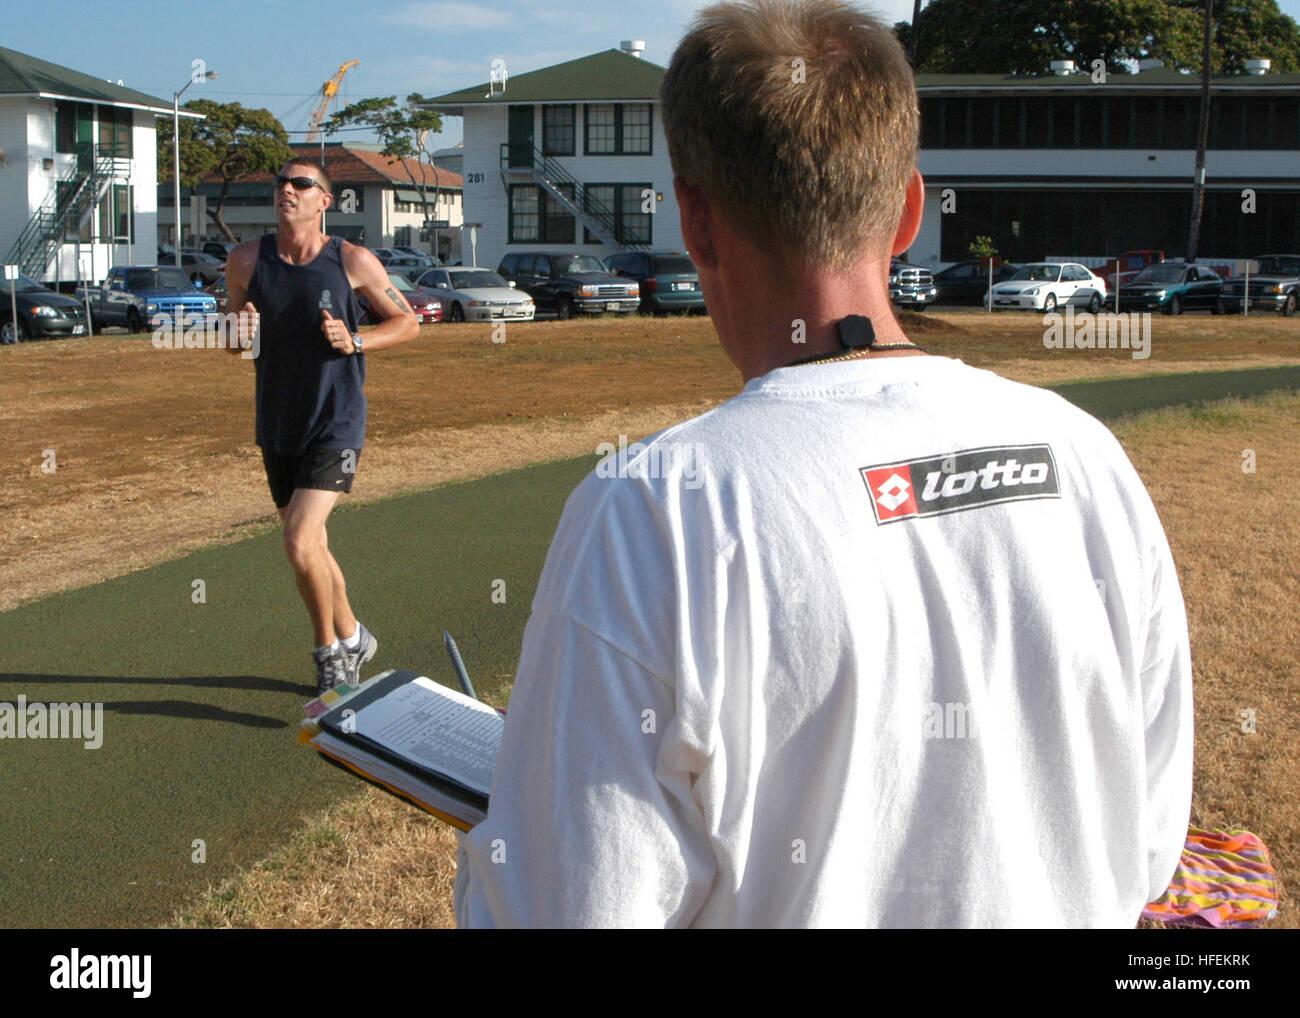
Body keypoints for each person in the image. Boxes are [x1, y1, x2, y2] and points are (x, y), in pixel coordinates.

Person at [454, 0, 1193, 927]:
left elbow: (564, 907)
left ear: (696, 220)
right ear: (909, 209)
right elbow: (1149, 840)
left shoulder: (656, 511)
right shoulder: (1085, 457)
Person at [226, 157, 419, 694]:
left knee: (297, 543)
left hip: (336, 421)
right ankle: (355, 634)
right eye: (281, 183)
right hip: (278, 421)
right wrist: (239, 330)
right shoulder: (245, 260)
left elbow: (407, 323)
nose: (287, 190)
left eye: (301, 184)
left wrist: (357, 340)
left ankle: (329, 652)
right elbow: (234, 338)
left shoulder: (352, 260)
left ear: (324, 201)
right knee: (311, 547)